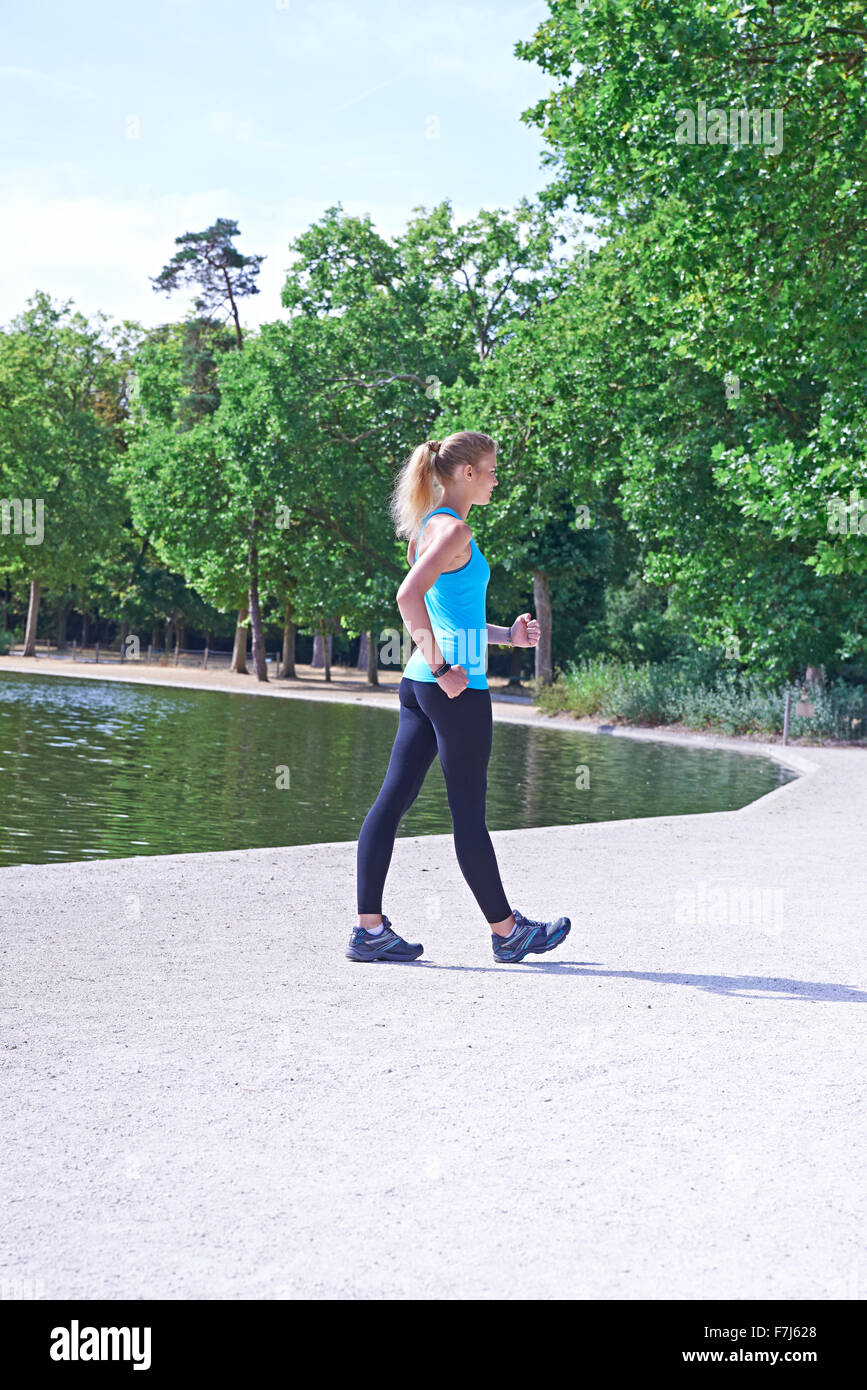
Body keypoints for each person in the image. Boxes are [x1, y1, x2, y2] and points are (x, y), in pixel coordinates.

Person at [348, 430, 571, 964]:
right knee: (468, 815)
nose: (497, 479)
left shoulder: (428, 528)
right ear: (466, 472)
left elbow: (454, 617)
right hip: (452, 687)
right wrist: (447, 666)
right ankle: (507, 930)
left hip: (418, 683)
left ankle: (369, 929)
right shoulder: (455, 529)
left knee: (393, 801)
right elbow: (408, 598)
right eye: (492, 469)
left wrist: (507, 637)